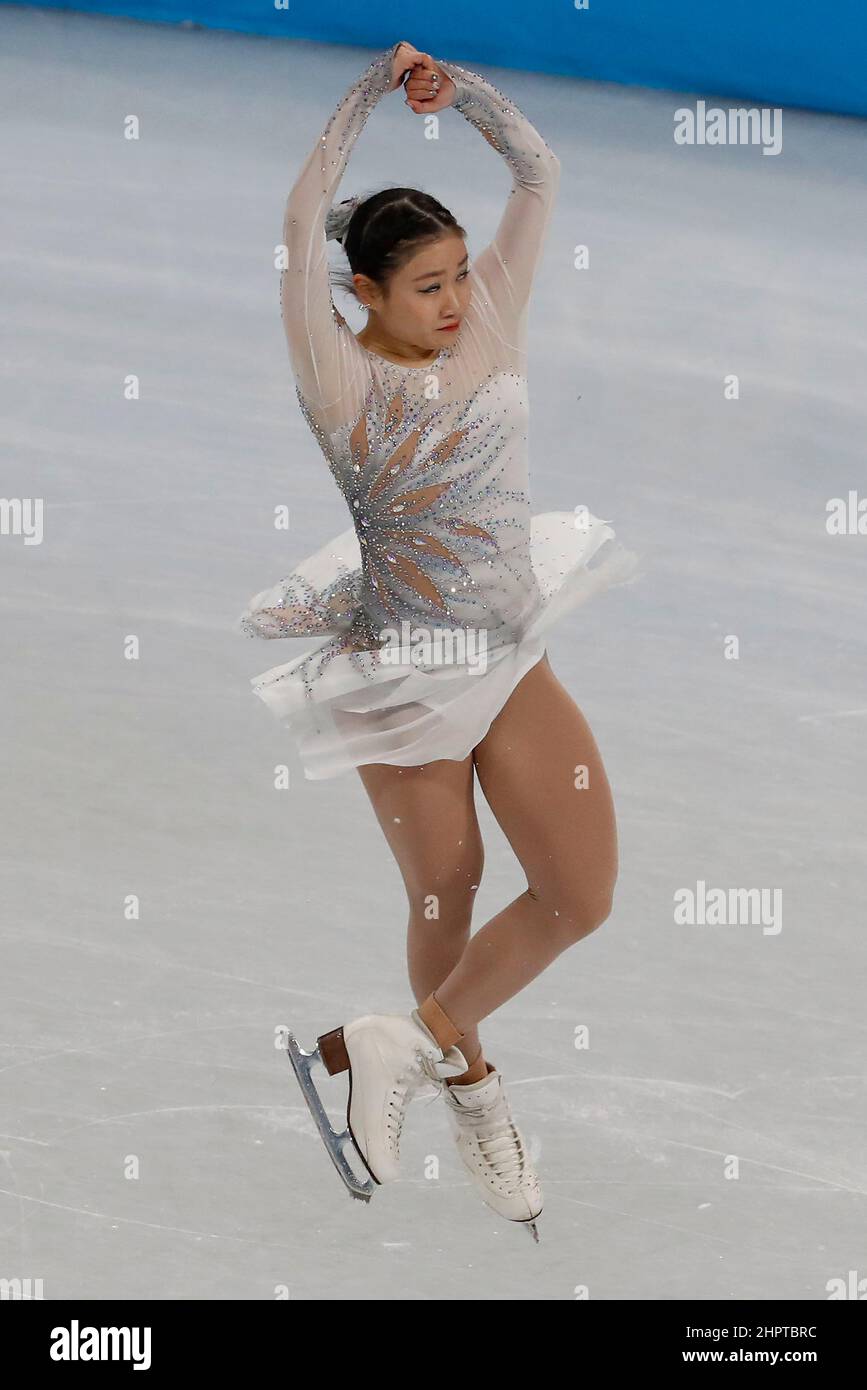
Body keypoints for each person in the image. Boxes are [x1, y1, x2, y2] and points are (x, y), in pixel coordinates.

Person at [240, 40, 640, 1238]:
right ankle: (468, 1086)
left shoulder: (488, 324)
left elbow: (540, 170)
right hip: (407, 673)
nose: (458, 300)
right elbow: (306, 206)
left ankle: (397, 1046)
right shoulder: (340, 376)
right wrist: (368, 90)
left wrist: (454, 93)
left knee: (581, 893)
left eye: (461, 275)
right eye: (427, 285)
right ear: (365, 290)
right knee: (449, 890)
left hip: (510, 647)